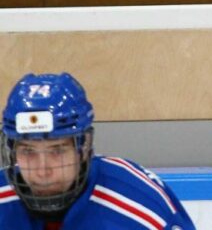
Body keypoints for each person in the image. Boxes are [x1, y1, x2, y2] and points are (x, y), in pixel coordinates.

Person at [0, 72, 195, 229]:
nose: (42, 171)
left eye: (57, 150)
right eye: (28, 151)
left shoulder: (141, 212)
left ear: (83, 148)